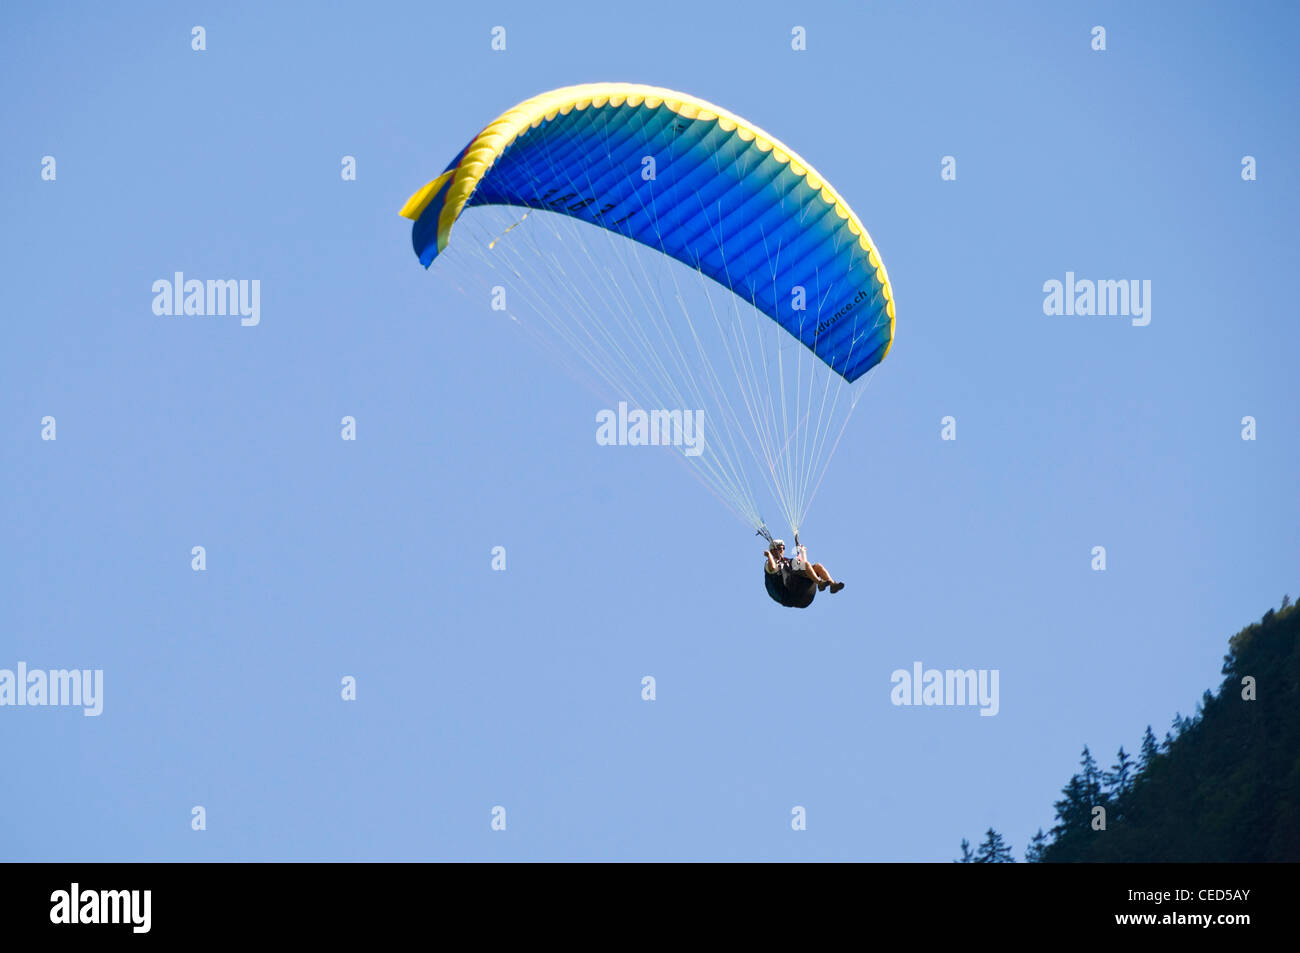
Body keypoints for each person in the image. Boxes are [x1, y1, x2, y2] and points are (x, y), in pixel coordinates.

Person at [763, 539, 844, 608]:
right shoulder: (769, 563)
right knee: (801, 565)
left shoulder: (788, 561)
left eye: (783, 548)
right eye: (779, 548)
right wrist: (769, 556)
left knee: (817, 566)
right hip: (790, 595)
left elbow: (804, 566)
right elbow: (772, 567)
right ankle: (819, 583)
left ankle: (833, 585)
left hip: (805, 595)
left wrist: (803, 552)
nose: (782, 550)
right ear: (772, 551)